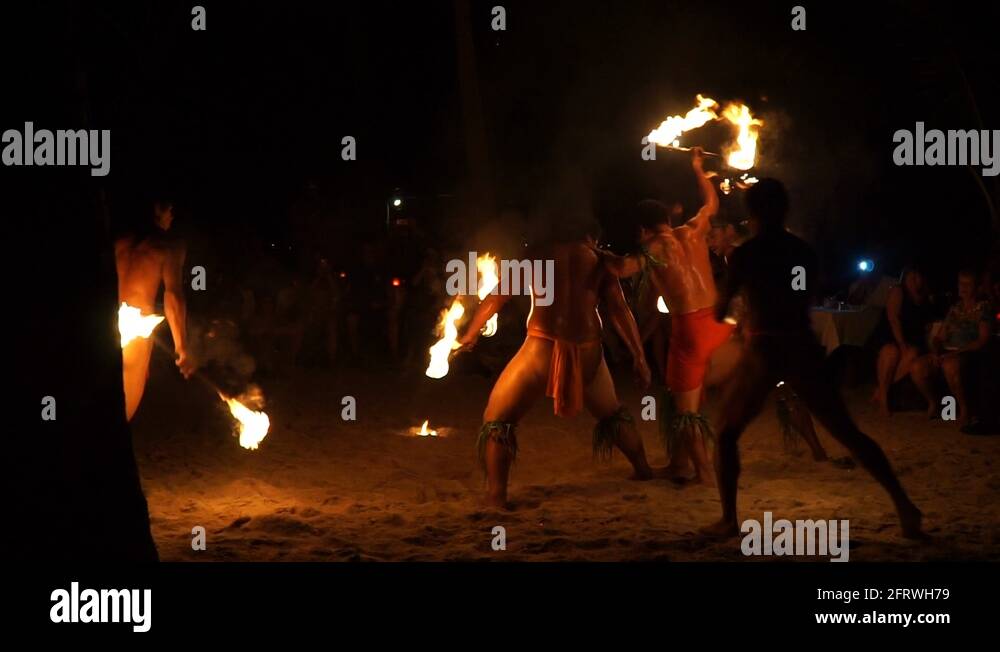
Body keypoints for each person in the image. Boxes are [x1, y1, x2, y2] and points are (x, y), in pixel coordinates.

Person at [702, 178, 923, 539]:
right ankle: (904, 506)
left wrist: (739, 305)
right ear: (784, 210)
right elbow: (804, 297)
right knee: (848, 432)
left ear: (752, 213)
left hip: (765, 348)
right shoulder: (802, 252)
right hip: (802, 347)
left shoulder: (745, 254)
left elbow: (720, 310)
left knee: (726, 433)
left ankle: (728, 519)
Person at [457, 220, 653, 509]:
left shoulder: (537, 255)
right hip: (588, 351)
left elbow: (498, 296)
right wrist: (639, 357)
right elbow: (619, 311)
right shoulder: (601, 260)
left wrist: (470, 334)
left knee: (498, 418)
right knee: (612, 413)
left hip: (542, 348)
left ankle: (496, 496)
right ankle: (643, 469)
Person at [601, 148, 732, 485]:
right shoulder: (693, 229)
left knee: (684, 409)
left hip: (689, 329)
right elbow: (711, 204)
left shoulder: (654, 247)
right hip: (717, 324)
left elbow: (622, 268)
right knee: (688, 399)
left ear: (643, 229)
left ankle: (703, 472)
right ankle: (679, 463)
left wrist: (592, 250)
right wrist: (698, 168)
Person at [115, 199, 194, 420]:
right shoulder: (169, 245)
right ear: (162, 210)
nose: (172, 214)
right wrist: (182, 348)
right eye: (170, 207)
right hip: (134, 339)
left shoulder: (120, 240)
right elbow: (173, 296)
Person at [930, 269, 992, 426]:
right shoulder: (954, 309)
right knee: (917, 367)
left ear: (976, 287)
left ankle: (965, 409)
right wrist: (936, 351)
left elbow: (982, 340)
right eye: (960, 283)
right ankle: (937, 405)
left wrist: (955, 353)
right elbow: (940, 336)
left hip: (968, 353)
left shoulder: (983, 308)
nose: (962, 287)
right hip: (948, 352)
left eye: (967, 284)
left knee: (950, 365)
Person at [874, 267, 936, 417]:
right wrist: (901, 344)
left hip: (914, 339)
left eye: (917, 276)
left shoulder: (925, 297)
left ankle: (881, 391)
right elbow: (893, 319)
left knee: (912, 352)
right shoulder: (898, 291)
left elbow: (928, 325)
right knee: (891, 352)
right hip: (891, 336)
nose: (913, 279)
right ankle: (883, 399)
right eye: (910, 276)